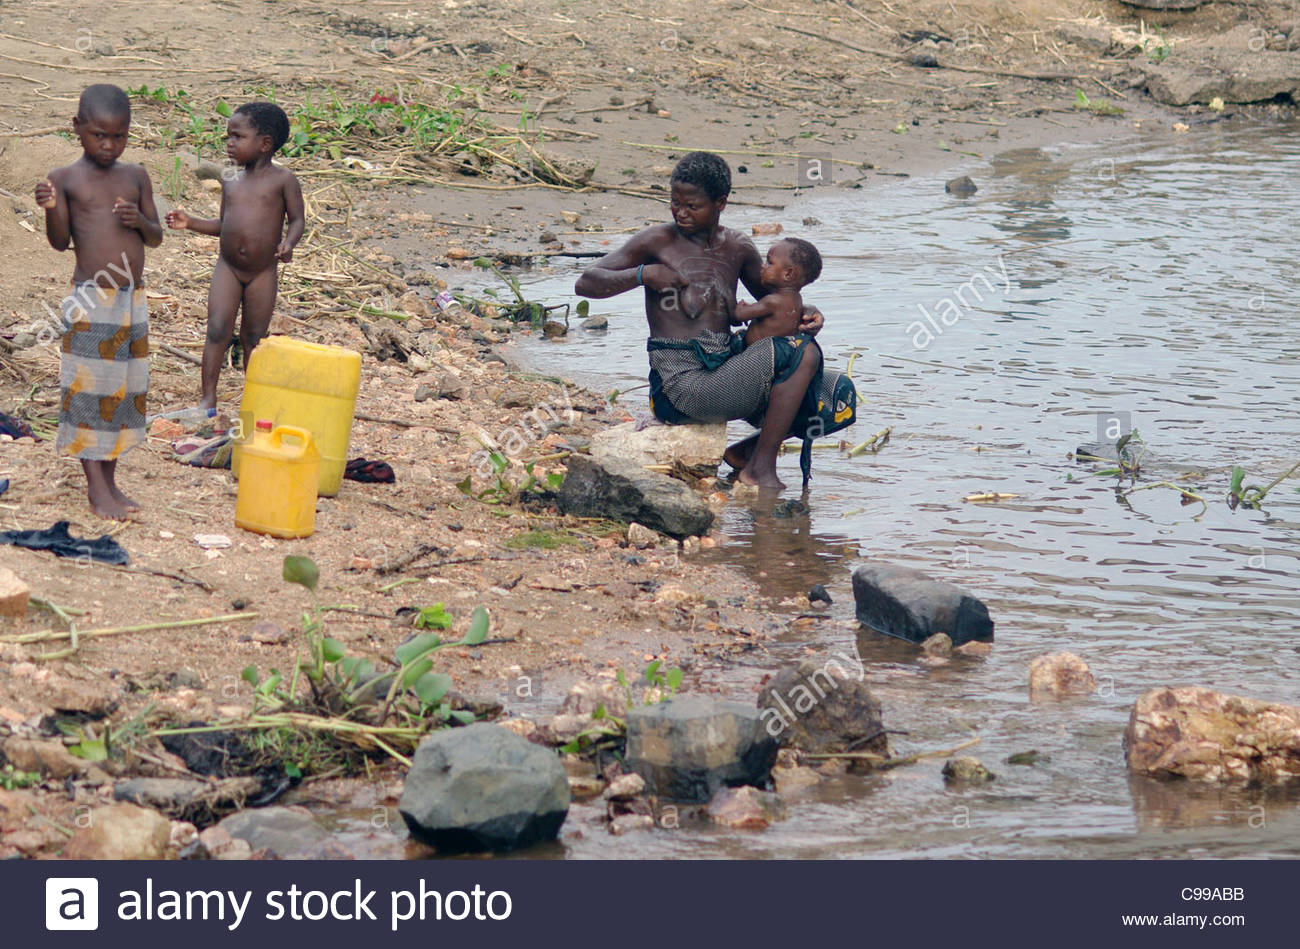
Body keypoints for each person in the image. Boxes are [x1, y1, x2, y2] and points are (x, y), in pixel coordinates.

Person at [575, 151, 823, 489]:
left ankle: (746, 454)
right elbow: (586, 282)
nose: (681, 213)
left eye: (693, 206)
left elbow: (776, 302)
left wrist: (807, 314)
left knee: (833, 396)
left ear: (721, 203)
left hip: (725, 369)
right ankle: (760, 470)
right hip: (680, 387)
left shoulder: (738, 247)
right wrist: (643, 273)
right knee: (803, 354)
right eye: (675, 203)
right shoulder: (657, 241)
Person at [35, 83, 163, 519]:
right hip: (92, 300)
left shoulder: (136, 176)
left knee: (121, 392)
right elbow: (59, 242)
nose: (109, 145)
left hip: (132, 298)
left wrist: (140, 219)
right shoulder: (65, 179)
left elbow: (156, 237)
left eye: (119, 136)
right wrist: (51, 207)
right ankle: (95, 489)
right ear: (77, 128)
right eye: (99, 135)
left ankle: (110, 481)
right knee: (90, 393)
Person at [166, 102, 304, 410]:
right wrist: (191, 223)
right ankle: (207, 399)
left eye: (237, 137)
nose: (229, 144)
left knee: (254, 337)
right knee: (216, 329)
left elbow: (297, 220)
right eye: (228, 136)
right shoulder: (231, 180)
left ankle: (254, 402)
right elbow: (223, 225)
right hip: (228, 268)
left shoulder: (283, 181)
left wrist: (289, 243)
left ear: (265, 143)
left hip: (262, 273)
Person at [733, 237, 822, 346]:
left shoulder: (772, 301)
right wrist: (753, 308)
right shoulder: (796, 299)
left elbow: (738, 315)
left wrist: (741, 307)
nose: (763, 265)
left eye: (769, 263)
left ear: (788, 274)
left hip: (759, 354)